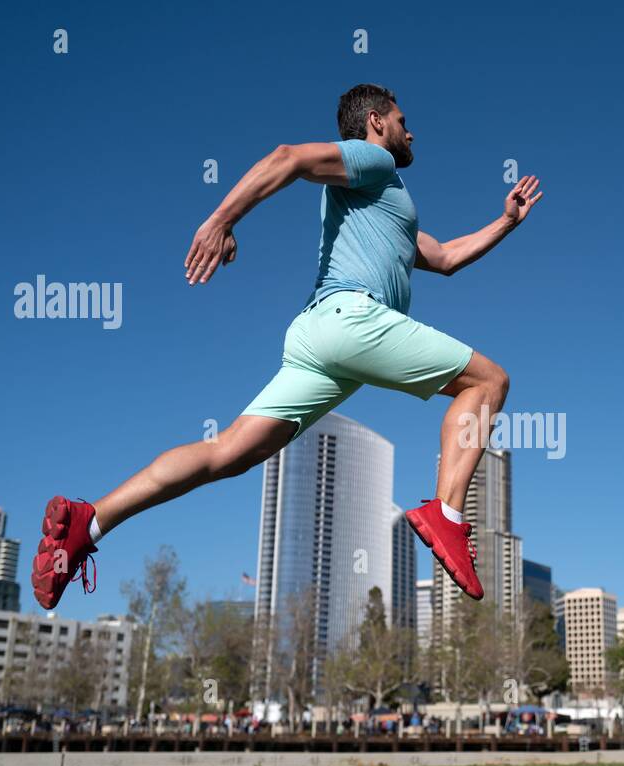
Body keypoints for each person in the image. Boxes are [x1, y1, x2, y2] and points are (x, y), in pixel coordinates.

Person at [28, 83, 543, 610]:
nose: (411, 131)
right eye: (402, 119)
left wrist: (505, 221)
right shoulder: (375, 162)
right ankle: (448, 514)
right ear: (375, 122)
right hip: (352, 319)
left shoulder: (383, 204)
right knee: (489, 381)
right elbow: (288, 158)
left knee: (226, 453)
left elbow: (446, 257)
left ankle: (90, 522)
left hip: (319, 340)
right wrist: (221, 220)